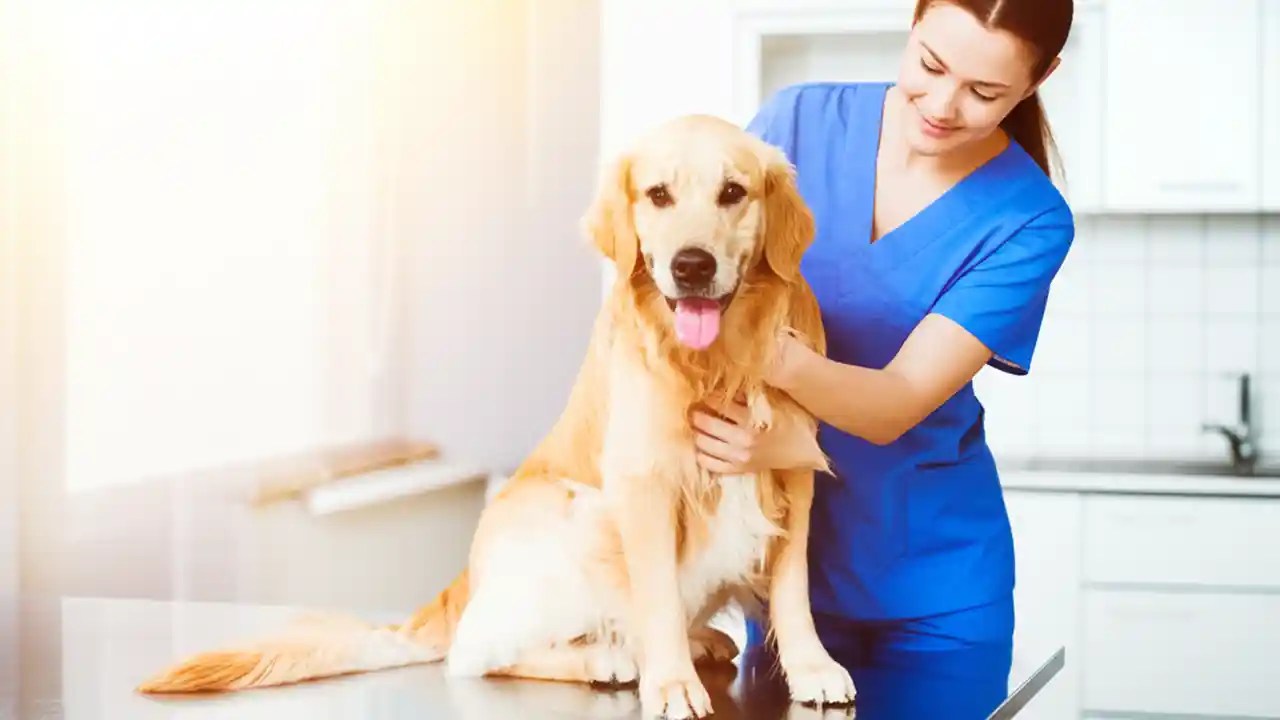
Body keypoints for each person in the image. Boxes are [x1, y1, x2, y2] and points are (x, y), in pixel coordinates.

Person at [690, 0, 1076, 716]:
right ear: (913, 24)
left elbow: (895, 401)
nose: (941, 103)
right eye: (930, 65)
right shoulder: (795, 124)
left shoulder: (1029, 218)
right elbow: (701, 264)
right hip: (788, 588)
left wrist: (788, 431)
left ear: (1040, 78)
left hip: (935, 599)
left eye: (984, 93)